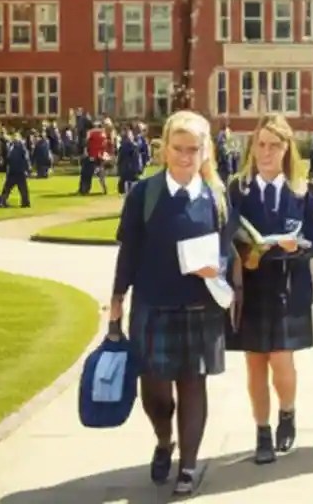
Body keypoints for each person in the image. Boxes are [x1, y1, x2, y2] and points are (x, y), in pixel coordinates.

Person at [108, 111, 233, 497]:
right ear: (164, 149)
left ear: (204, 151)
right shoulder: (144, 195)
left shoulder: (216, 197)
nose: (185, 156)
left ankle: (189, 467)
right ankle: (165, 441)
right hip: (153, 306)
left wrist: (217, 267)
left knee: (193, 385)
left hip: (199, 307)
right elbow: (129, 251)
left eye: (193, 149)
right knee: (156, 395)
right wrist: (117, 299)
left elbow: (226, 250)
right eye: (178, 148)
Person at [224, 114, 313, 464]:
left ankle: (287, 411)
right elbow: (226, 237)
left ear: (287, 149)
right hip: (250, 288)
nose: (266, 152)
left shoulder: (302, 190)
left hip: (289, 286)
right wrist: (244, 252)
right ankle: (262, 432)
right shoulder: (237, 189)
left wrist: (298, 246)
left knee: (282, 361)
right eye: (261, 144)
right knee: (255, 363)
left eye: (274, 145)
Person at [0, 135, 31, 208]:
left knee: (7, 187)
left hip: (13, 171)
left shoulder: (12, 148)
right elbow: (26, 159)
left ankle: (3, 201)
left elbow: (8, 159)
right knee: (23, 188)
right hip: (19, 171)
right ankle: (25, 202)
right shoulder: (21, 148)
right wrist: (27, 168)